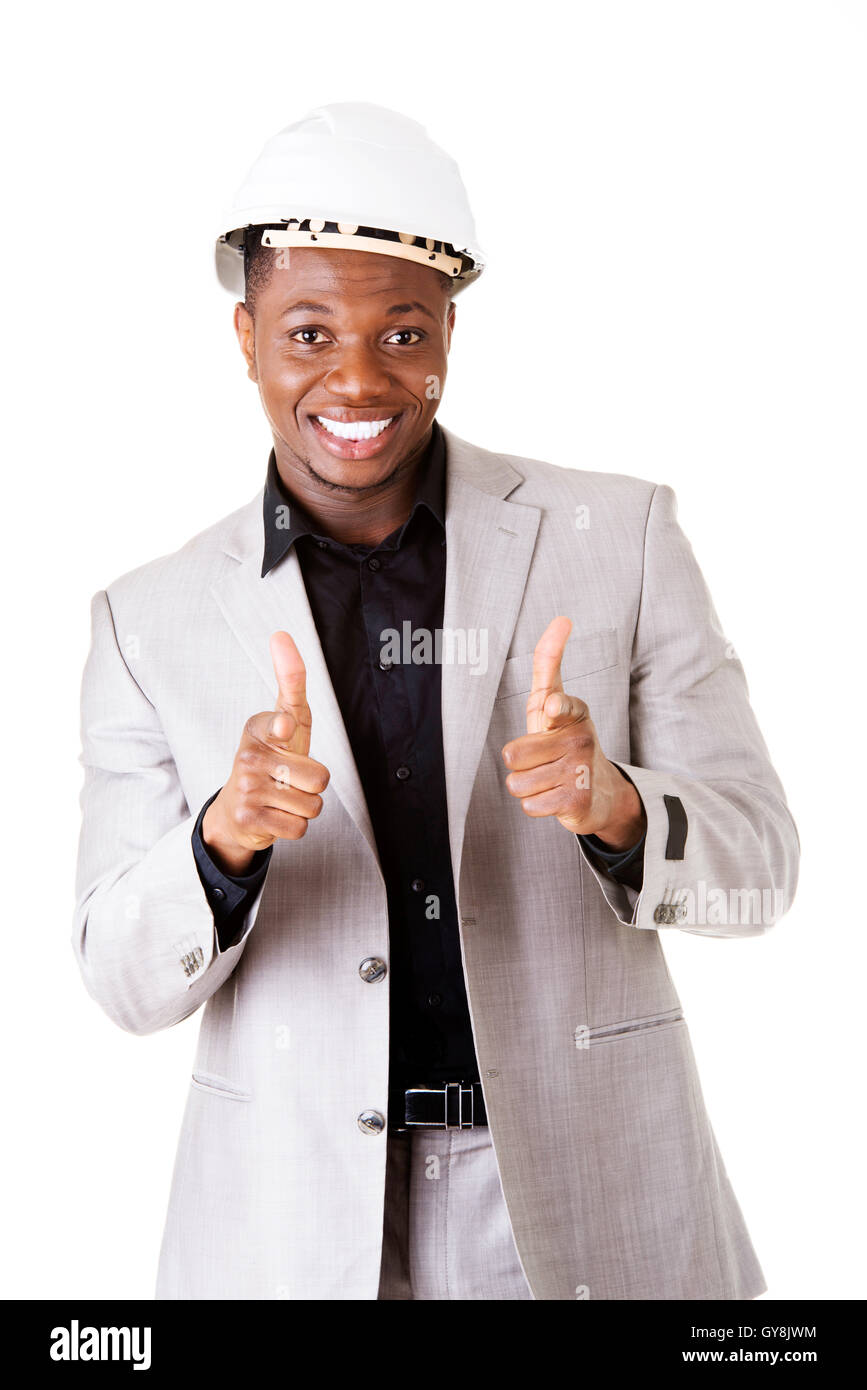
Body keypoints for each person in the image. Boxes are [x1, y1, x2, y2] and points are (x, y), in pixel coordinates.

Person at [72, 102, 799, 1300]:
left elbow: (761, 867)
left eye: (401, 333)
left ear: (449, 334)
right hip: (292, 1228)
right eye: (308, 332)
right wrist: (222, 841)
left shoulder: (619, 538)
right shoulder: (145, 620)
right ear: (245, 338)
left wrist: (616, 805)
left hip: (591, 1203)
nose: (357, 377)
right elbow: (119, 975)